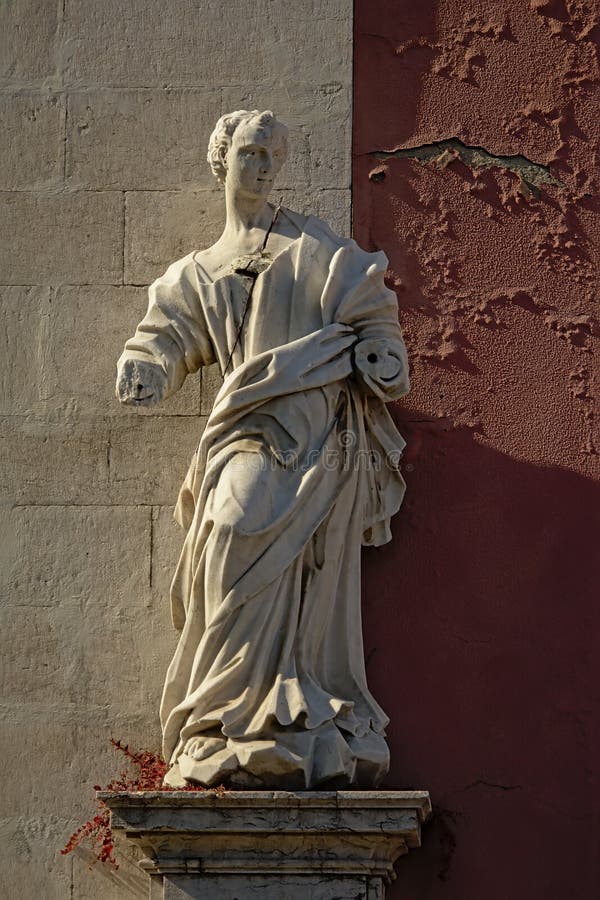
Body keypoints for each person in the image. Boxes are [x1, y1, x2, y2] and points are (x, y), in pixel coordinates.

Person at [116, 110, 410, 789]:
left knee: (296, 571)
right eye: (248, 153)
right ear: (221, 162)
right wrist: (148, 366)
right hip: (243, 434)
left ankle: (288, 705)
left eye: (270, 156)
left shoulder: (312, 248)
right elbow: (165, 333)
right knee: (227, 529)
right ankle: (221, 713)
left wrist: (382, 355)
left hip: (313, 435)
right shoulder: (200, 270)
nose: (260, 167)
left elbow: (369, 305)